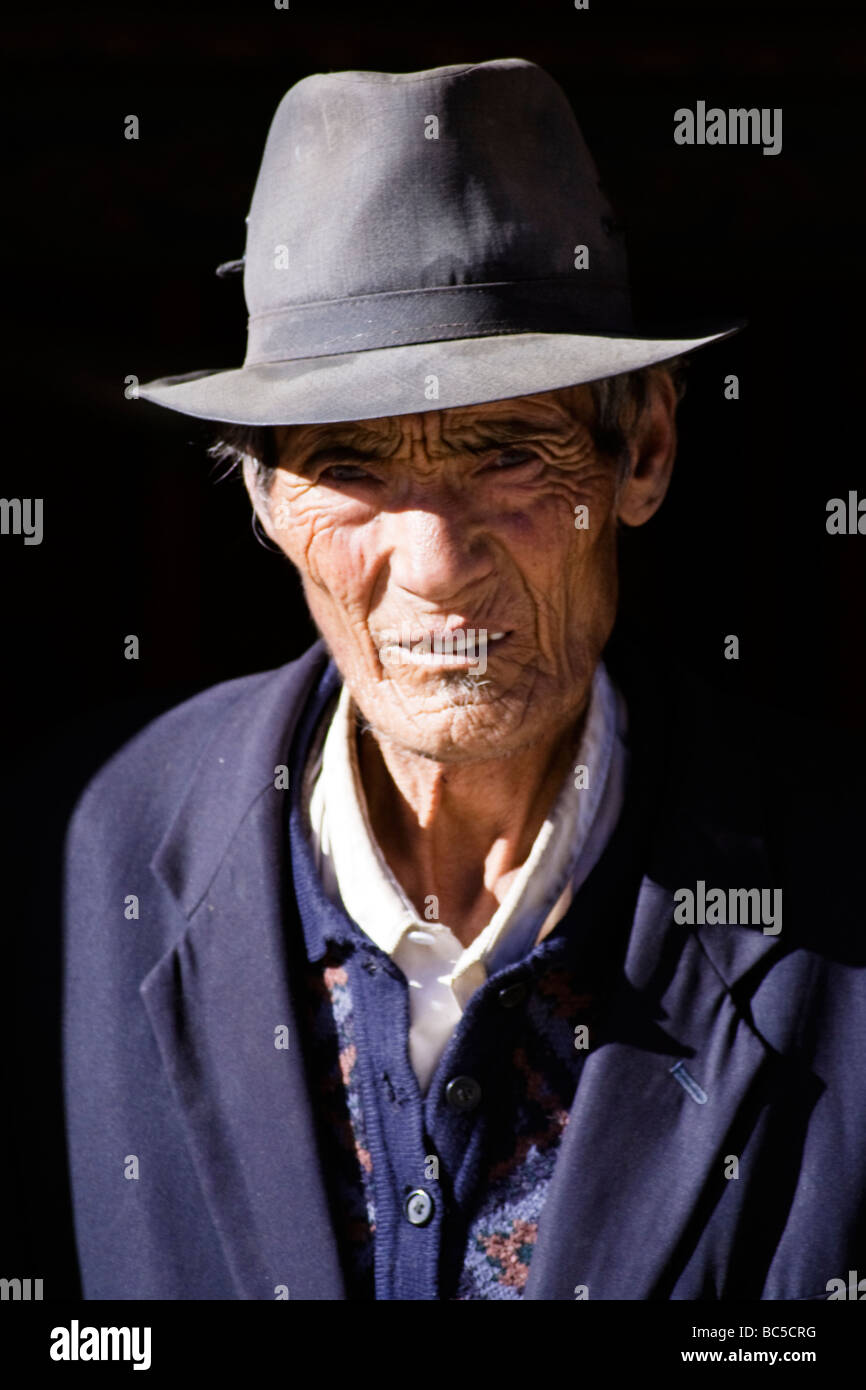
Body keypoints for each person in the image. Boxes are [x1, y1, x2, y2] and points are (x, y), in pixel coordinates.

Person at [63, 58, 865, 1300]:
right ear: (267, 500)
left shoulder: (833, 884)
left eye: (505, 452)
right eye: (351, 465)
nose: (432, 565)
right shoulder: (90, 853)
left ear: (641, 452)